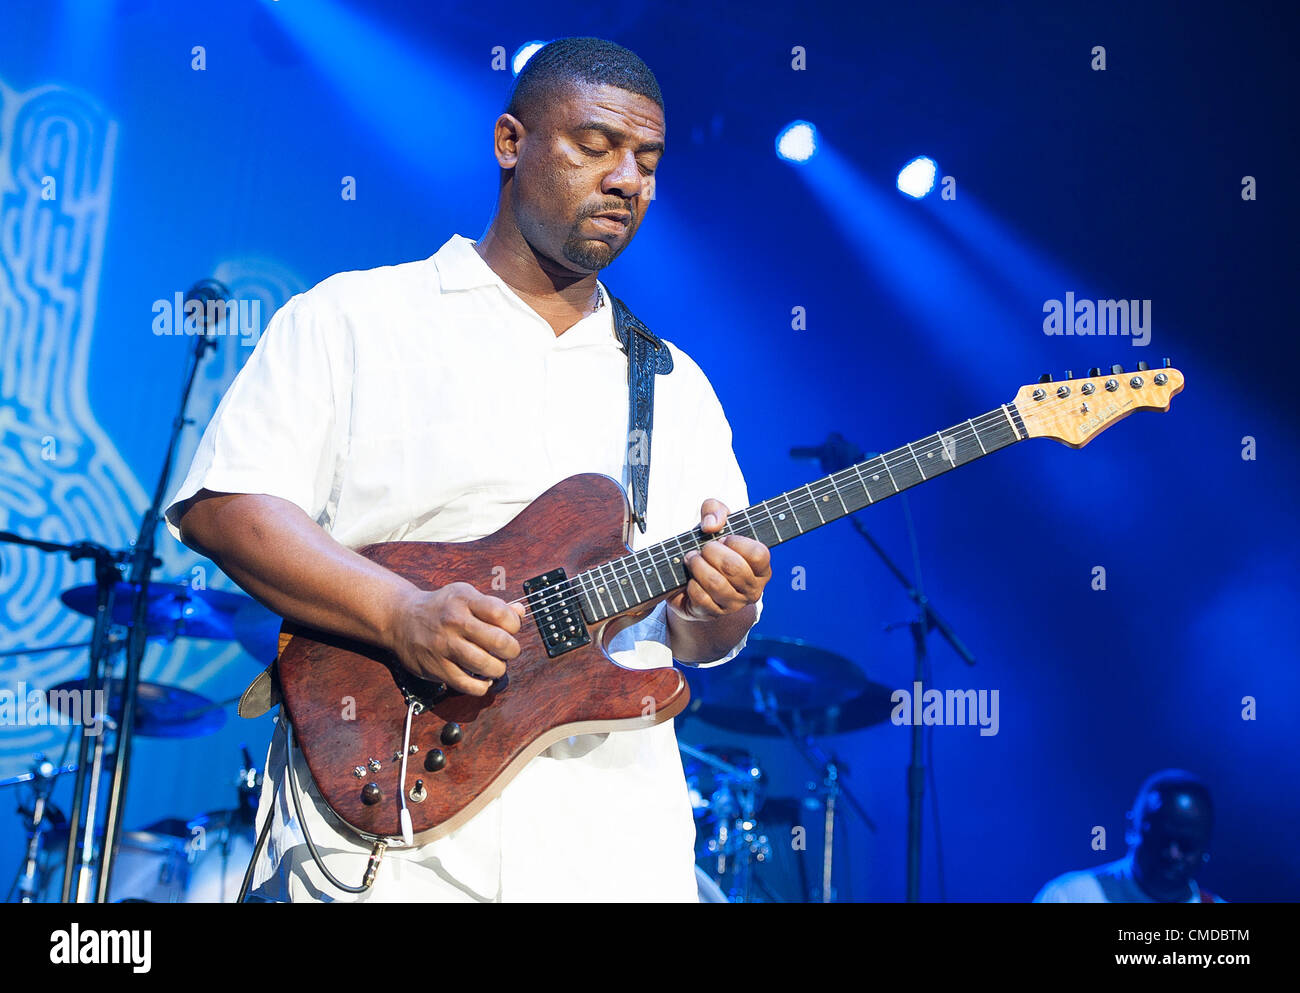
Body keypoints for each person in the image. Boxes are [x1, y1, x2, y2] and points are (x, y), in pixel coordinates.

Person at [164, 37, 770, 902]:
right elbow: (226, 508)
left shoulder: (676, 385)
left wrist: (726, 600)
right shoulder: (357, 318)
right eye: (595, 147)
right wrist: (402, 612)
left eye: (647, 159)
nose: (626, 179)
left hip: (610, 854)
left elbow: (696, 643)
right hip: (387, 852)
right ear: (510, 143)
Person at [1033, 769, 1224, 903]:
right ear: (1132, 828)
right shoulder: (1068, 897)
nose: (1173, 854)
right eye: (1162, 838)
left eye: (1186, 844)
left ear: (1205, 848)